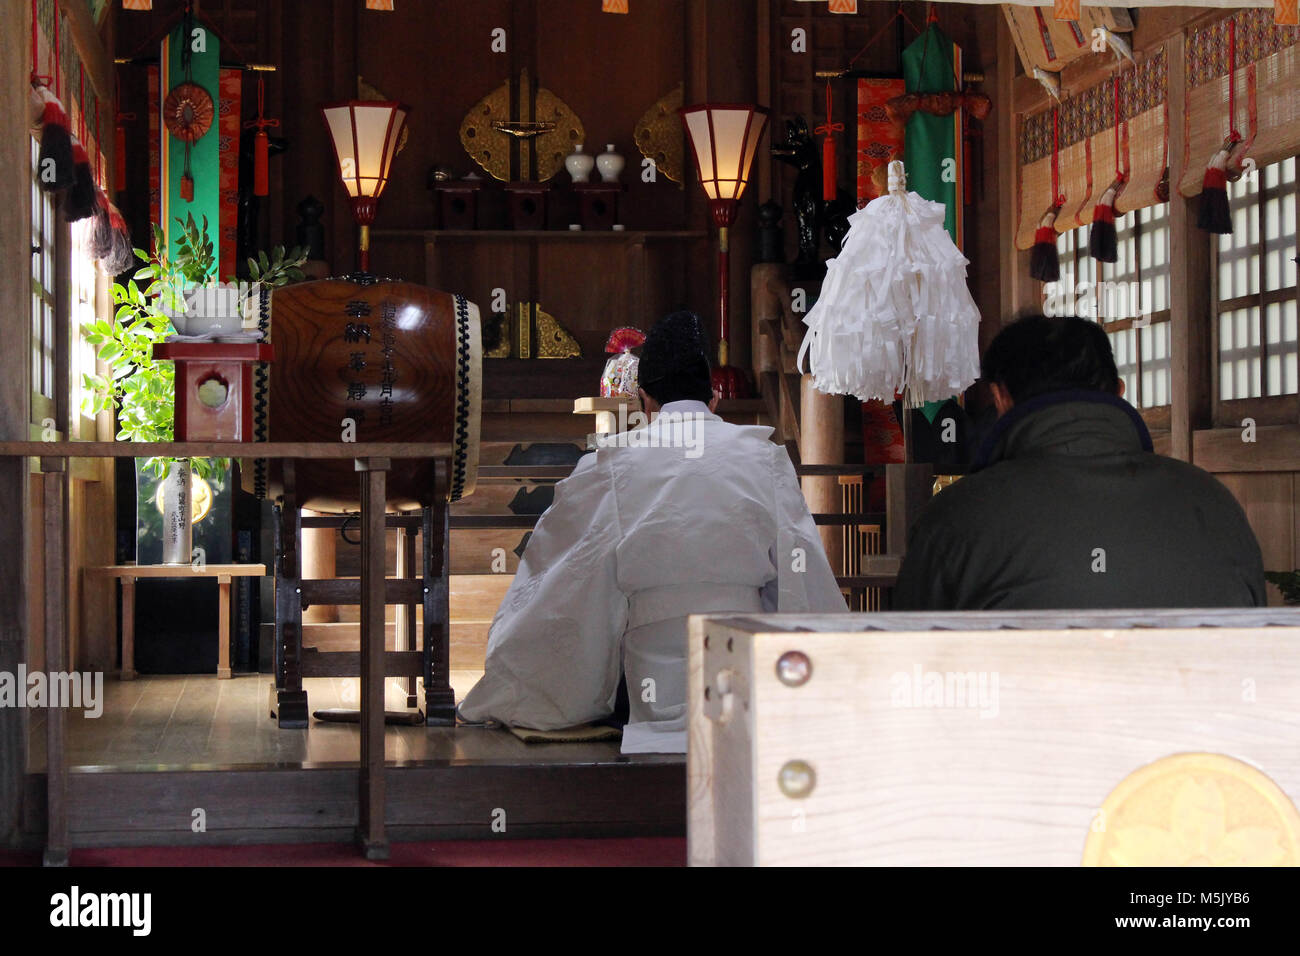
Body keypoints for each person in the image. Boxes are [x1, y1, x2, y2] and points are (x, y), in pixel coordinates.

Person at [459, 311, 847, 752]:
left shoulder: (614, 464)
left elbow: (562, 576)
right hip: (745, 666)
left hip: (646, 668)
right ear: (714, 398)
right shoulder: (765, 458)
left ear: (645, 401)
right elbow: (801, 577)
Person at [892, 314, 1266, 610]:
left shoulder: (958, 516)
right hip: (1204, 705)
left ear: (1000, 397)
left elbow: (912, 667)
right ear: (1120, 392)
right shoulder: (1214, 503)